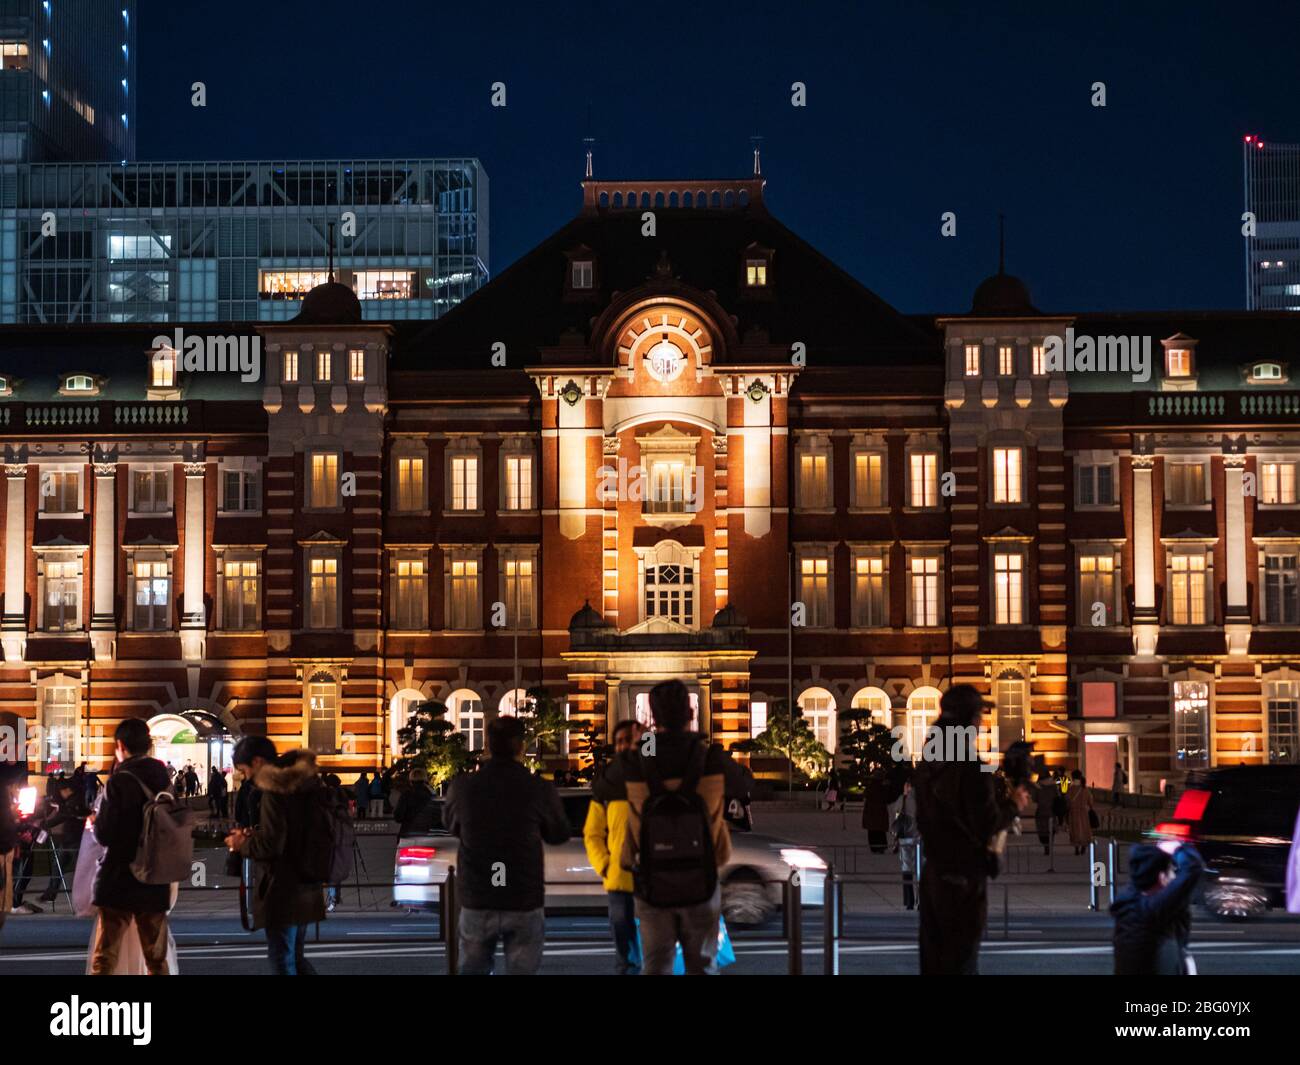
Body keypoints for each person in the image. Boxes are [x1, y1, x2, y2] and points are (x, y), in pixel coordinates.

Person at [611, 678, 741, 976]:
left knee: (656, 965)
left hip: (652, 879)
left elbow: (603, 784)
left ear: (653, 716)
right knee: (703, 966)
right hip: (701, 876)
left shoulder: (639, 760)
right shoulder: (709, 757)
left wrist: (644, 739)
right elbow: (744, 784)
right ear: (691, 712)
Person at [913, 685, 1028, 975]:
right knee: (961, 963)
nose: (981, 723)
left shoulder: (928, 762)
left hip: (934, 874)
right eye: (978, 716)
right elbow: (986, 822)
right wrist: (1014, 805)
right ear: (968, 720)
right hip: (963, 878)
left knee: (935, 964)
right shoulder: (969, 766)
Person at [443, 714, 570, 975]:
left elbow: (451, 825)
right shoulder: (538, 788)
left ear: (488, 744)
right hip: (523, 894)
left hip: (478, 894)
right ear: (521, 746)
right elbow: (558, 833)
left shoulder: (464, 787)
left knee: (472, 969)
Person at [224, 739, 327, 975]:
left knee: (282, 962)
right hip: (307, 883)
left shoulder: (275, 789)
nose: (246, 777)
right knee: (296, 959)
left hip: (282, 888)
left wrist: (242, 843)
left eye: (244, 770)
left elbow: (271, 845)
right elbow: (290, 834)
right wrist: (256, 835)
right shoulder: (303, 784)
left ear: (257, 762)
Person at [89, 719, 175, 975]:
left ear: (121, 746)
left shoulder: (119, 781)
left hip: (120, 877)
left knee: (106, 958)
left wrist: (95, 822)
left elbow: (105, 834)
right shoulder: (164, 780)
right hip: (154, 877)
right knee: (156, 959)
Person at [583, 718, 644, 974]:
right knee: (623, 945)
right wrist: (605, 865)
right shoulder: (607, 785)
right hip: (619, 878)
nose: (624, 746)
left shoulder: (656, 778)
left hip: (655, 878)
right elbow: (592, 833)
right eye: (619, 741)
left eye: (630, 740)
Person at [1112, 841, 1205, 975]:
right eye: (1171, 871)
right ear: (1161, 878)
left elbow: (1139, 865)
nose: (1174, 876)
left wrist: (1155, 854)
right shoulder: (1154, 910)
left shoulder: (1128, 903)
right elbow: (1192, 868)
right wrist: (1179, 848)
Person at [37, 777, 89, 904]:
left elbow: (63, 816)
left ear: (67, 790)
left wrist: (46, 823)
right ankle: (50, 894)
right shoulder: (73, 800)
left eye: (61, 791)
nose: (60, 794)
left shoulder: (75, 801)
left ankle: (84, 897)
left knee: (76, 869)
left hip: (75, 840)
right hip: (70, 840)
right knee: (58, 866)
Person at [889, 776, 919, 910]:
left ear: (907, 786)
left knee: (907, 868)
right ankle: (921, 900)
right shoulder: (923, 799)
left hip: (905, 837)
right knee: (921, 869)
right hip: (920, 838)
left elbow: (895, 815)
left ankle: (909, 900)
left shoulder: (903, 799)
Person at [392, 768, 438, 836]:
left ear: (410, 780)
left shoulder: (407, 795)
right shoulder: (431, 795)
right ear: (425, 780)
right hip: (427, 833)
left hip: (408, 832)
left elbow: (398, 816)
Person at [862, 766, 895, 853]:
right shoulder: (882, 787)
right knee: (880, 831)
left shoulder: (871, 786)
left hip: (871, 812)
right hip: (880, 812)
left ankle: (874, 847)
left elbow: (866, 795)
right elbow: (887, 798)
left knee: (872, 831)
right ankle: (881, 847)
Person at [1068, 769, 1095, 855]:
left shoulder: (1071, 789)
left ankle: (1076, 848)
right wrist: (1091, 807)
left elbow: (1067, 800)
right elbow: (1090, 801)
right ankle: (1084, 845)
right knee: (1084, 829)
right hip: (1083, 813)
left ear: (1073, 777)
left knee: (1075, 830)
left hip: (1073, 812)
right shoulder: (1085, 789)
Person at [1034, 772, 1057, 855]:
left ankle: (1046, 846)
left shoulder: (1038, 787)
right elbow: (1057, 797)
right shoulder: (1054, 786)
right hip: (1051, 811)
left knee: (1042, 830)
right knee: (1051, 829)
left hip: (1041, 811)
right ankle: (1049, 845)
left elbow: (1035, 799)